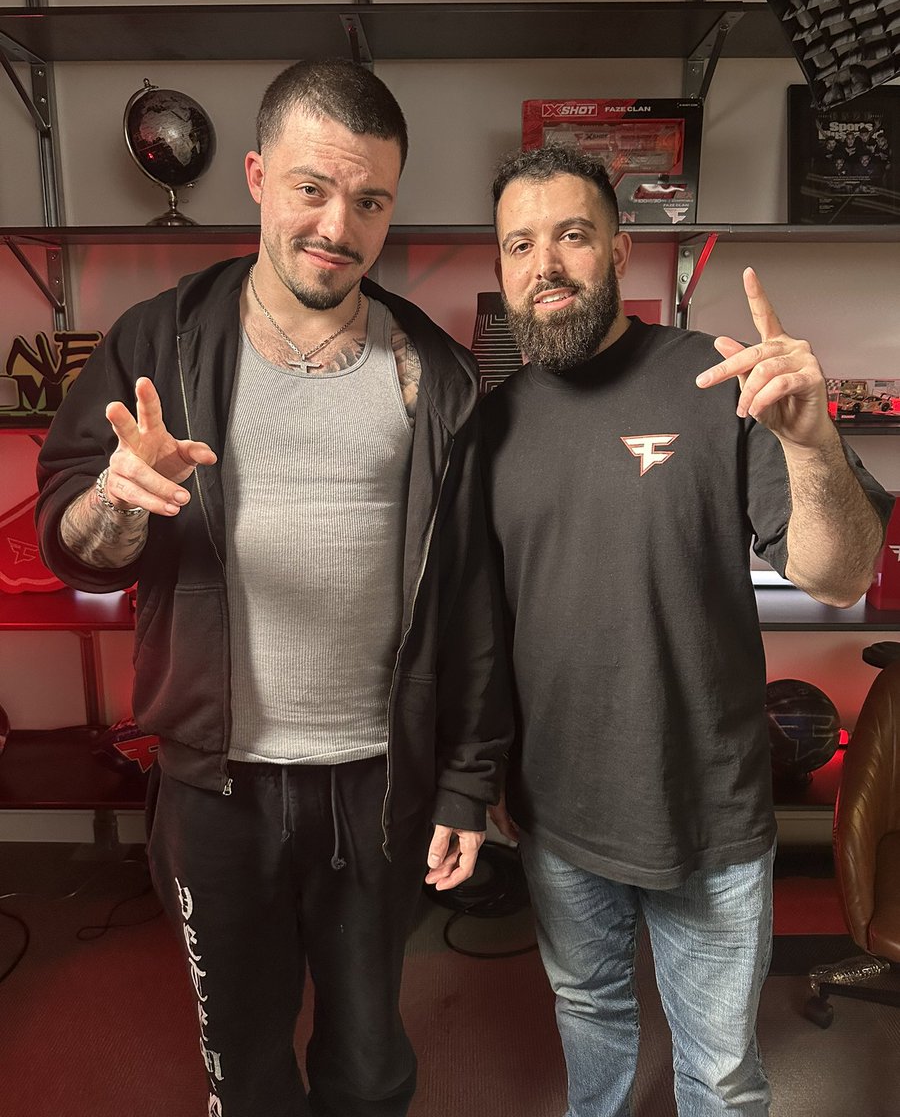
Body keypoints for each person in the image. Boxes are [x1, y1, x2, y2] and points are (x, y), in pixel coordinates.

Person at [35, 59, 510, 1117]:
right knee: (245, 1069)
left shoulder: (436, 375)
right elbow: (75, 541)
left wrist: (467, 783)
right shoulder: (159, 343)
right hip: (217, 790)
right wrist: (117, 501)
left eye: (371, 200)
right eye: (311, 187)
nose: (339, 226)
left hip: (378, 785)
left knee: (370, 1065)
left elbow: (471, 604)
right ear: (256, 176)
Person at [482, 145, 893, 1117]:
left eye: (572, 235)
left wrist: (813, 443)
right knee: (590, 1018)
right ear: (501, 268)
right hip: (557, 811)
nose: (546, 264)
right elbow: (485, 624)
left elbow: (838, 575)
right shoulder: (490, 425)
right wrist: (485, 774)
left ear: (620, 249)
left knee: (720, 1076)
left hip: (708, 810)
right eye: (520, 245)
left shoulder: (717, 380)